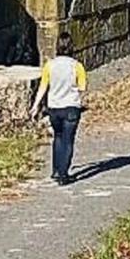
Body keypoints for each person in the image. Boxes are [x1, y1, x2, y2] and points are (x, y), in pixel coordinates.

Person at [30, 35, 87, 184]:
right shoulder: (77, 66)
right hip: (71, 107)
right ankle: (63, 174)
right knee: (68, 141)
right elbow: (82, 88)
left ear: (57, 47)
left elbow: (43, 87)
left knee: (58, 137)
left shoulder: (50, 65)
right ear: (71, 47)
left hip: (54, 107)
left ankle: (55, 170)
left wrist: (35, 105)